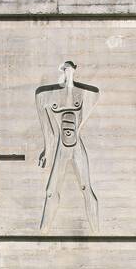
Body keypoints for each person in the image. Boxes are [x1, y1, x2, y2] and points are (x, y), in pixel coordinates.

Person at [36, 60, 100, 231]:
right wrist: (47, 150)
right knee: (51, 191)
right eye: (65, 69)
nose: (68, 71)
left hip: (76, 145)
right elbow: (47, 129)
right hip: (61, 149)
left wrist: (71, 87)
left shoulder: (81, 94)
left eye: (70, 69)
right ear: (62, 71)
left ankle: (97, 232)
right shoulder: (46, 96)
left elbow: (95, 95)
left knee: (86, 187)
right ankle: (43, 231)